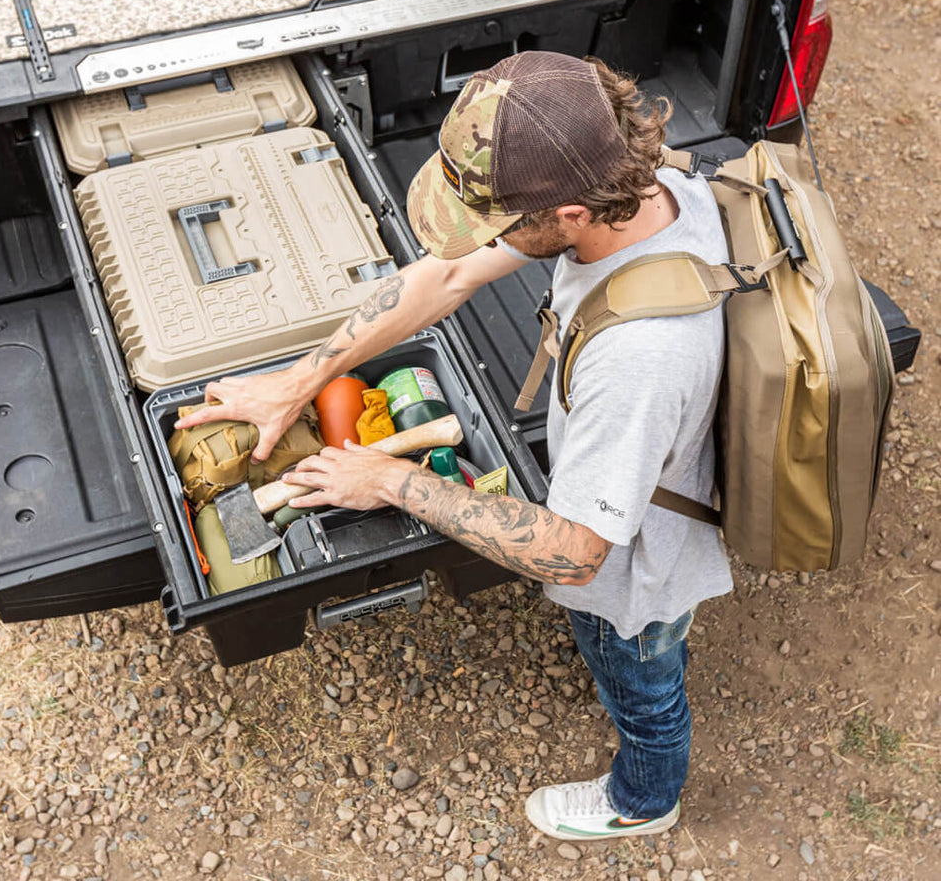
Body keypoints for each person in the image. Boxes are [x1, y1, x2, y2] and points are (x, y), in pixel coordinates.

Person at [176, 51, 733, 840]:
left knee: (639, 666)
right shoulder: (639, 183)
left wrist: (393, 483)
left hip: (642, 561)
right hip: (634, 456)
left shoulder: (640, 358)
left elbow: (576, 555)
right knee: (622, 650)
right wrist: (300, 380)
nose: (486, 236)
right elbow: (443, 278)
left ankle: (643, 798)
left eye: (500, 220)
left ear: (569, 213)